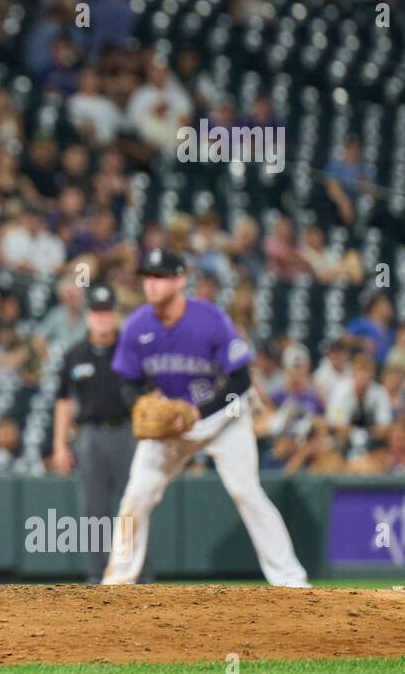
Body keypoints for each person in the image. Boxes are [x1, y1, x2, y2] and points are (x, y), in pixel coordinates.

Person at [101, 249, 309, 587]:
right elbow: (128, 382)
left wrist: (200, 412)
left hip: (221, 420)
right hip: (169, 424)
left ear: (180, 280)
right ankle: (117, 581)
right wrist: (142, 401)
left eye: (160, 276)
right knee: (135, 497)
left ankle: (291, 579)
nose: (151, 284)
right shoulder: (136, 326)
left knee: (246, 492)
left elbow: (240, 381)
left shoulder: (211, 319)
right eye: (147, 277)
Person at [51, 283, 138, 583]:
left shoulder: (129, 352)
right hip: (89, 435)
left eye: (107, 312)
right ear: (89, 316)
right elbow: (63, 400)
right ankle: (96, 575)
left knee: (134, 505)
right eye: (97, 312)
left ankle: (136, 573)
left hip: (127, 433)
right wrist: (60, 445)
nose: (101, 318)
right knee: (93, 510)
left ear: (115, 315)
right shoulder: (75, 354)